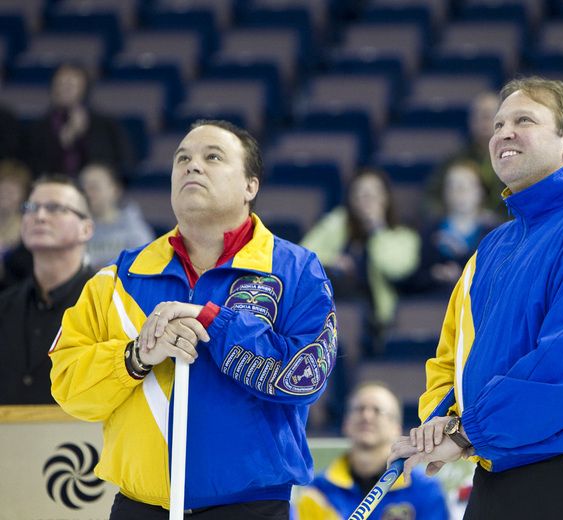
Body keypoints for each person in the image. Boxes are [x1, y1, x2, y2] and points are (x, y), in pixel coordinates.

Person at [389, 76, 563, 519]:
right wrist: (439, 421)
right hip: (497, 472)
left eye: (524, 120)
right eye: (498, 125)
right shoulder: (493, 247)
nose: (504, 133)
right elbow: (456, 355)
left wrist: (467, 433)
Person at [49, 120, 337, 519]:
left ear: (250, 186)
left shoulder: (296, 271)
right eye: (181, 158)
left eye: (212, 157)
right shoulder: (118, 280)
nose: (192, 166)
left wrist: (213, 321)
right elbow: (68, 387)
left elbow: (306, 377)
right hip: (139, 507)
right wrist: (134, 358)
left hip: (251, 507)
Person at [301, 168, 419, 353]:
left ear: (386, 198)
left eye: (373, 193)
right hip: (339, 314)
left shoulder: (402, 235)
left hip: (381, 320)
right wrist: (332, 259)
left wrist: (378, 229)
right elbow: (303, 255)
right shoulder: (338, 224)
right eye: (360, 193)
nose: (367, 199)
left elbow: (396, 268)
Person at [0, 175, 94, 404]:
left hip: (81, 437)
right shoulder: (5, 305)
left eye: (55, 208)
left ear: (86, 229)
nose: (39, 216)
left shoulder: (109, 301)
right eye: (31, 207)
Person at [296, 383, 448, 520]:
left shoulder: (424, 489)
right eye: (359, 409)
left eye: (378, 410)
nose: (366, 416)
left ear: (397, 428)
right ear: (345, 423)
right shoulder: (319, 491)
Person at [22, 63, 134, 178]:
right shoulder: (37, 128)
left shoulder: (106, 124)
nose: (63, 90)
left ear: (84, 88)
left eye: (70, 85)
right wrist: (63, 143)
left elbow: (123, 163)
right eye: (60, 84)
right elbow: (32, 169)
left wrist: (82, 138)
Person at [414, 158, 499, 293]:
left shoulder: (494, 232)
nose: (459, 193)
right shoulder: (431, 230)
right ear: (444, 192)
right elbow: (416, 278)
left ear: (480, 192)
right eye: (452, 187)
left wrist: (461, 268)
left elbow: (496, 277)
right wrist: (435, 274)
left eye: (465, 187)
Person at [78, 162, 155, 268]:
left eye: (94, 187)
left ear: (114, 190)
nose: (87, 193)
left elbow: (146, 265)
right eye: (83, 189)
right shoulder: (75, 227)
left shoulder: (135, 228)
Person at [0, 159, 33, 290]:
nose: (5, 194)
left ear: (23, 195)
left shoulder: (31, 228)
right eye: (2, 187)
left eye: (12, 190)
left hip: (15, 298)